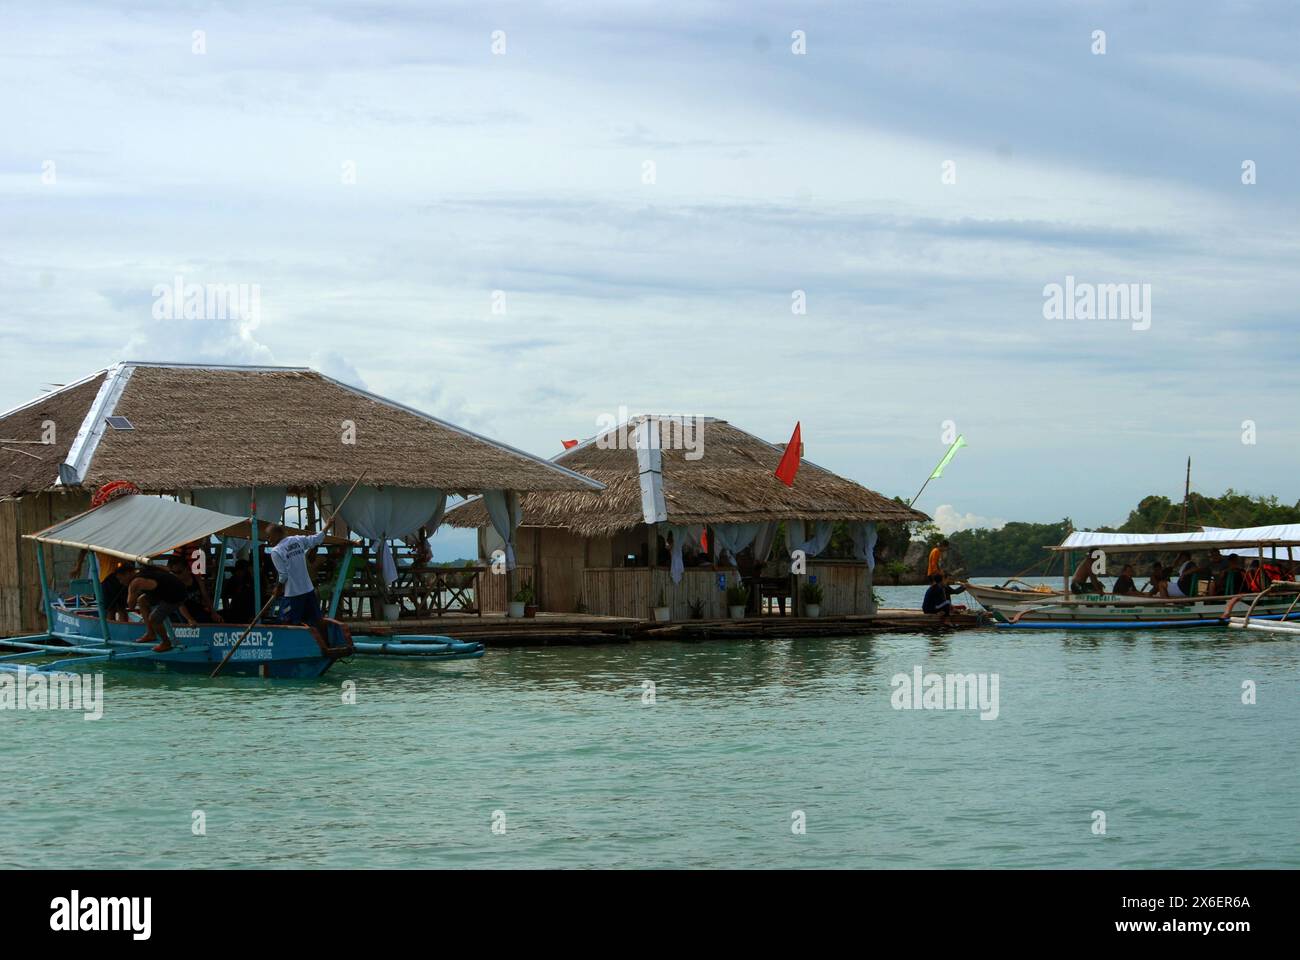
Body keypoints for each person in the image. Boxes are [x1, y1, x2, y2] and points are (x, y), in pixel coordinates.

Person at [267, 525, 329, 649]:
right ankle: (326, 646)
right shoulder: (297, 540)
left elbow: (283, 576)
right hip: (308, 590)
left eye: (269, 536)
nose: (268, 540)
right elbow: (317, 539)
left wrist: (277, 588)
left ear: (276, 534)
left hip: (293, 594)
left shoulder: (276, 551)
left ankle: (287, 648)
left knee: (286, 621)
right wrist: (327, 526)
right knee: (317, 620)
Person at [121, 563, 195, 652]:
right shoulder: (143, 572)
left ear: (128, 574)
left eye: (120, 579)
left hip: (176, 595)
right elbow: (166, 570)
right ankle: (150, 633)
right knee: (142, 600)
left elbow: (131, 606)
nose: (120, 582)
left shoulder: (136, 582)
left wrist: (131, 590)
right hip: (169, 591)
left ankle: (166, 643)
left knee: (154, 618)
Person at [166, 554, 221, 623]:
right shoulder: (174, 585)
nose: (176, 575)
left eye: (179, 572)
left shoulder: (197, 579)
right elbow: (180, 606)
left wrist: (214, 613)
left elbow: (205, 596)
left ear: (186, 569)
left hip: (197, 610)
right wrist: (190, 619)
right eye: (173, 573)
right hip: (180, 614)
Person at [222, 558, 256, 623]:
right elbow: (225, 596)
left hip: (248, 613)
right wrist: (227, 610)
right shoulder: (233, 580)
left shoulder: (249, 580)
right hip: (236, 612)